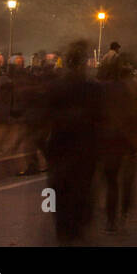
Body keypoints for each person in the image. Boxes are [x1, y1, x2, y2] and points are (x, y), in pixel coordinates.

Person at [43, 41, 103, 244]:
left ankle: (64, 233)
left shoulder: (54, 87)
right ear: (83, 64)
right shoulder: (92, 89)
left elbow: (43, 121)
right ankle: (77, 229)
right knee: (82, 192)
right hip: (84, 151)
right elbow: (100, 120)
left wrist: (46, 149)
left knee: (60, 193)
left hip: (60, 149)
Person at [97, 53, 137, 233]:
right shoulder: (133, 88)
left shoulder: (102, 89)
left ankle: (111, 220)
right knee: (127, 179)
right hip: (129, 141)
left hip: (109, 141)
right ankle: (125, 213)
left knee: (111, 181)